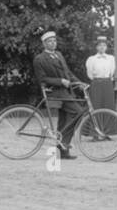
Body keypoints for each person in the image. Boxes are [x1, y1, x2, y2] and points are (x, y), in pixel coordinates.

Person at [32, 30, 87, 160]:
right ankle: (64, 142)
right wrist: (60, 81)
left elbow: (68, 73)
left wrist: (78, 83)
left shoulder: (59, 55)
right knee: (79, 112)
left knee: (64, 120)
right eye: (49, 41)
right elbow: (42, 79)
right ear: (44, 44)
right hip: (55, 92)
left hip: (66, 92)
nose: (53, 43)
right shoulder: (39, 59)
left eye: (54, 41)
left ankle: (63, 149)